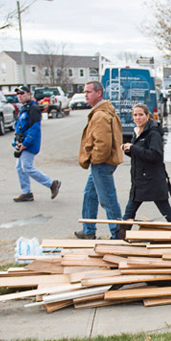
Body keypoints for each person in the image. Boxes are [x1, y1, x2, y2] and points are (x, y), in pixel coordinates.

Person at [121, 103, 171, 234]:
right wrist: (128, 150)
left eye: (141, 115)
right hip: (139, 181)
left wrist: (133, 148)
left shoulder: (153, 133)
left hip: (153, 181)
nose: (138, 118)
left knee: (166, 211)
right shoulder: (137, 131)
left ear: (147, 116)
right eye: (135, 115)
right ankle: (119, 238)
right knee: (129, 212)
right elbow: (140, 155)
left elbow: (155, 155)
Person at [76, 81, 123, 239]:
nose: (86, 95)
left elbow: (103, 144)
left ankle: (118, 234)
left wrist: (95, 160)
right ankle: (88, 230)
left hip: (101, 164)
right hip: (100, 164)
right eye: (85, 92)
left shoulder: (100, 115)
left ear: (99, 93)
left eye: (89, 91)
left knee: (108, 200)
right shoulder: (100, 112)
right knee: (90, 195)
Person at [13, 85, 60, 203]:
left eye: (22, 93)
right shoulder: (24, 108)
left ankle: (52, 184)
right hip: (22, 142)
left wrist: (25, 143)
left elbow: (34, 128)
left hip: (29, 143)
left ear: (29, 94)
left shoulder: (32, 108)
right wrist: (16, 142)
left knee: (27, 167)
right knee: (19, 167)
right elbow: (19, 127)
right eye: (18, 94)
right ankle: (26, 192)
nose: (19, 96)